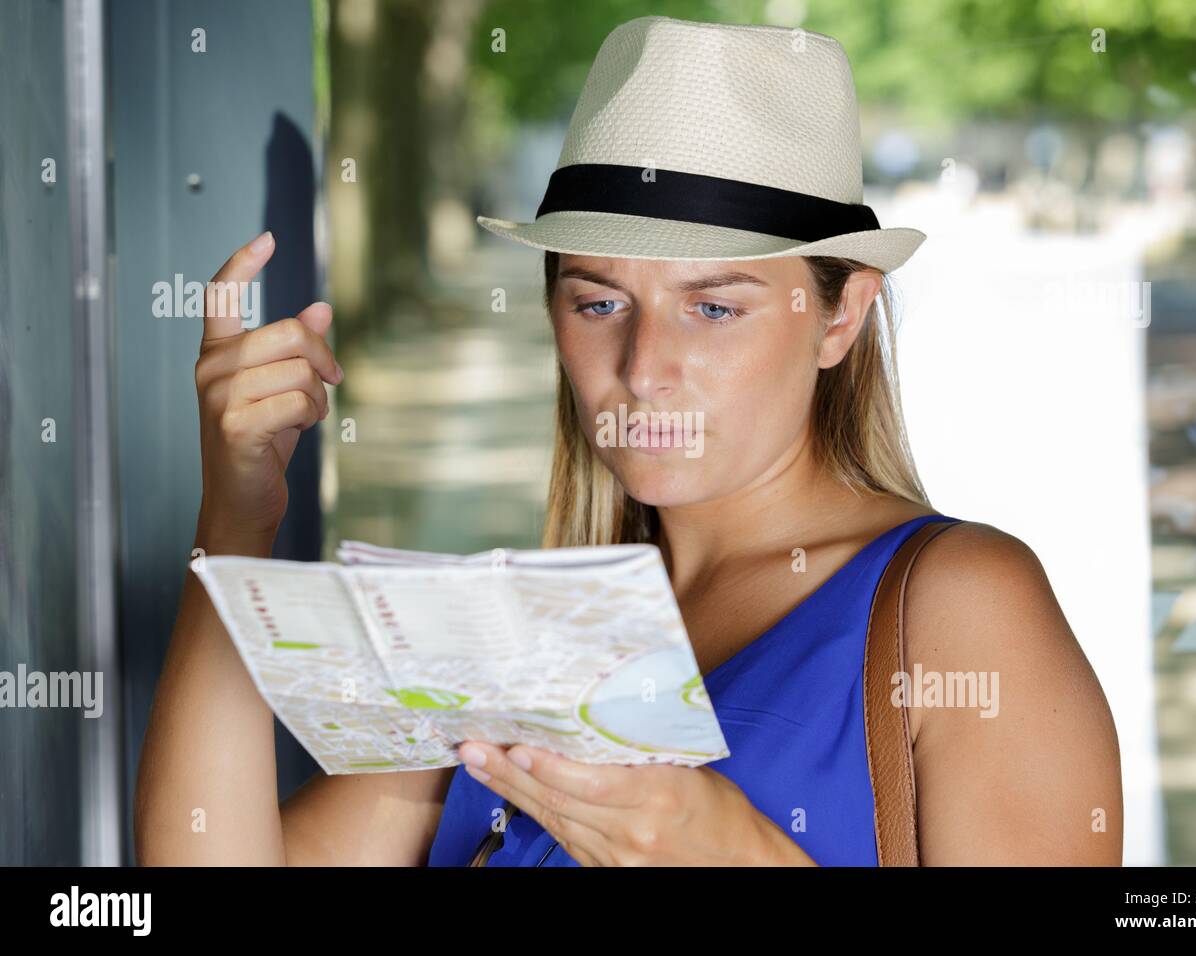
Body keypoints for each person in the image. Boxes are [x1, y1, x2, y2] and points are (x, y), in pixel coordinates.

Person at [135, 15, 1122, 866]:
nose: (645, 365)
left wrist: (730, 849)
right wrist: (237, 514)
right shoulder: (529, 640)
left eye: (714, 307)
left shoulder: (958, 604)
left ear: (839, 315)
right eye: (599, 299)